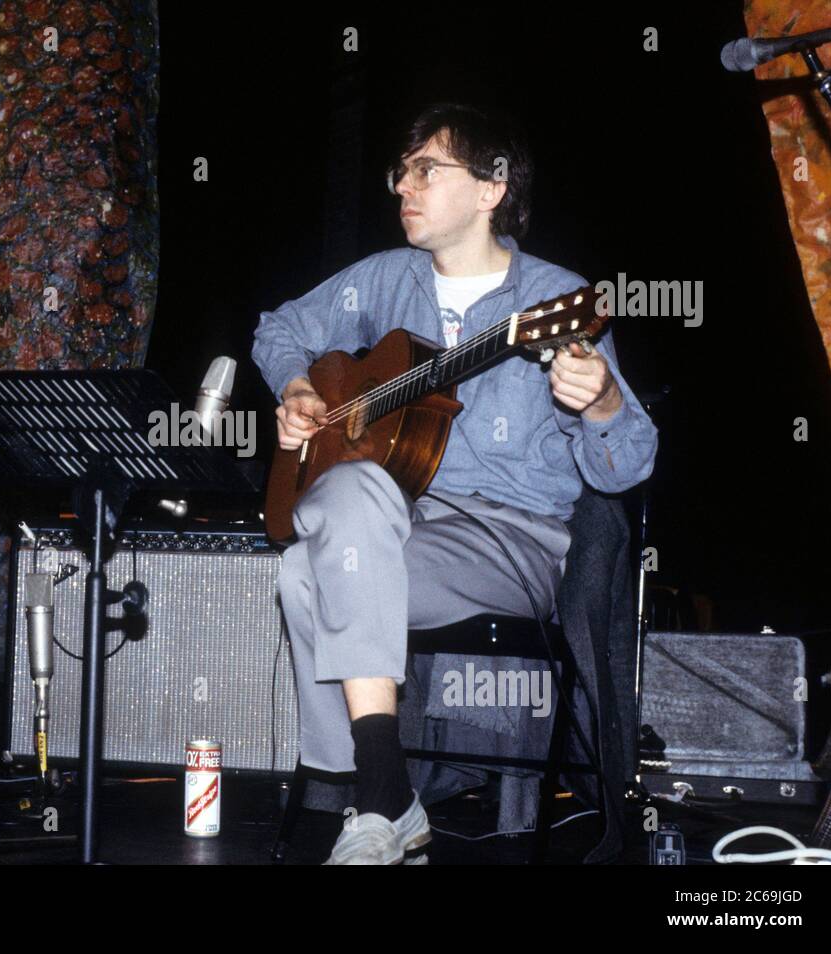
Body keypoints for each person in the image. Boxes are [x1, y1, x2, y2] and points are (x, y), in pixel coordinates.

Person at [251, 103, 658, 864]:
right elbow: (278, 327)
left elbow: (628, 464)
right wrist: (301, 389)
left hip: (509, 542)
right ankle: (382, 801)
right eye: (400, 170)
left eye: (425, 169)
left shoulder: (553, 298)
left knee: (317, 552)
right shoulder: (382, 278)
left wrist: (599, 400)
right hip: (396, 526)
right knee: (307, 557)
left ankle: (364, 796)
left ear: (490, 189)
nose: (403, 185)